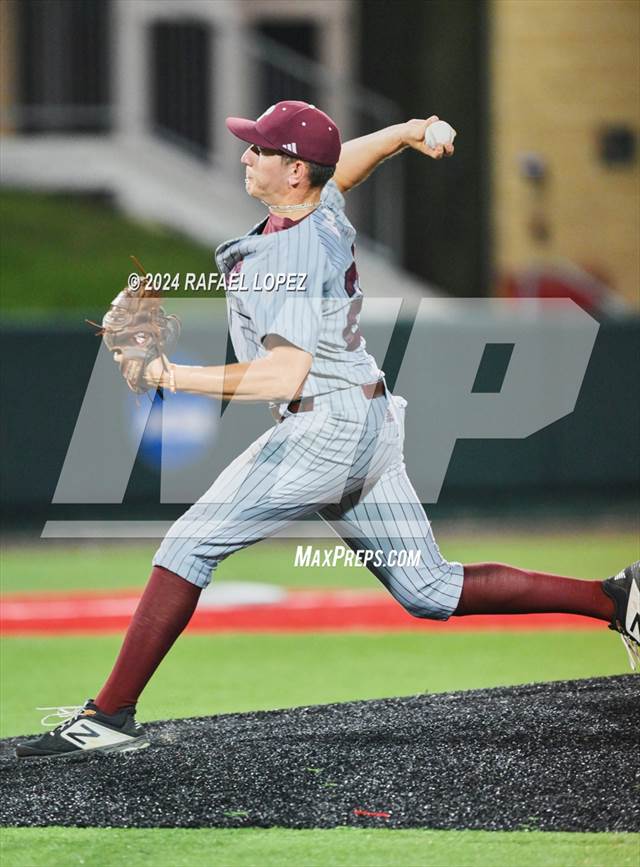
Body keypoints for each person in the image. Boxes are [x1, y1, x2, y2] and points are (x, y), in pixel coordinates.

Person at [17, 102, 639, 758]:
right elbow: (345, 167)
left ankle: (110, 715)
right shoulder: (319, 208)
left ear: (293, 172)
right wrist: (404, 132)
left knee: (189, 543)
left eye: (259, 149)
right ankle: (615, 597)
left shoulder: (287, 253)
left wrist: (171, 376)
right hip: (365, 418)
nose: (245, 155)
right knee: (430, 589)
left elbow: (283, 374)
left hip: (326, 429)